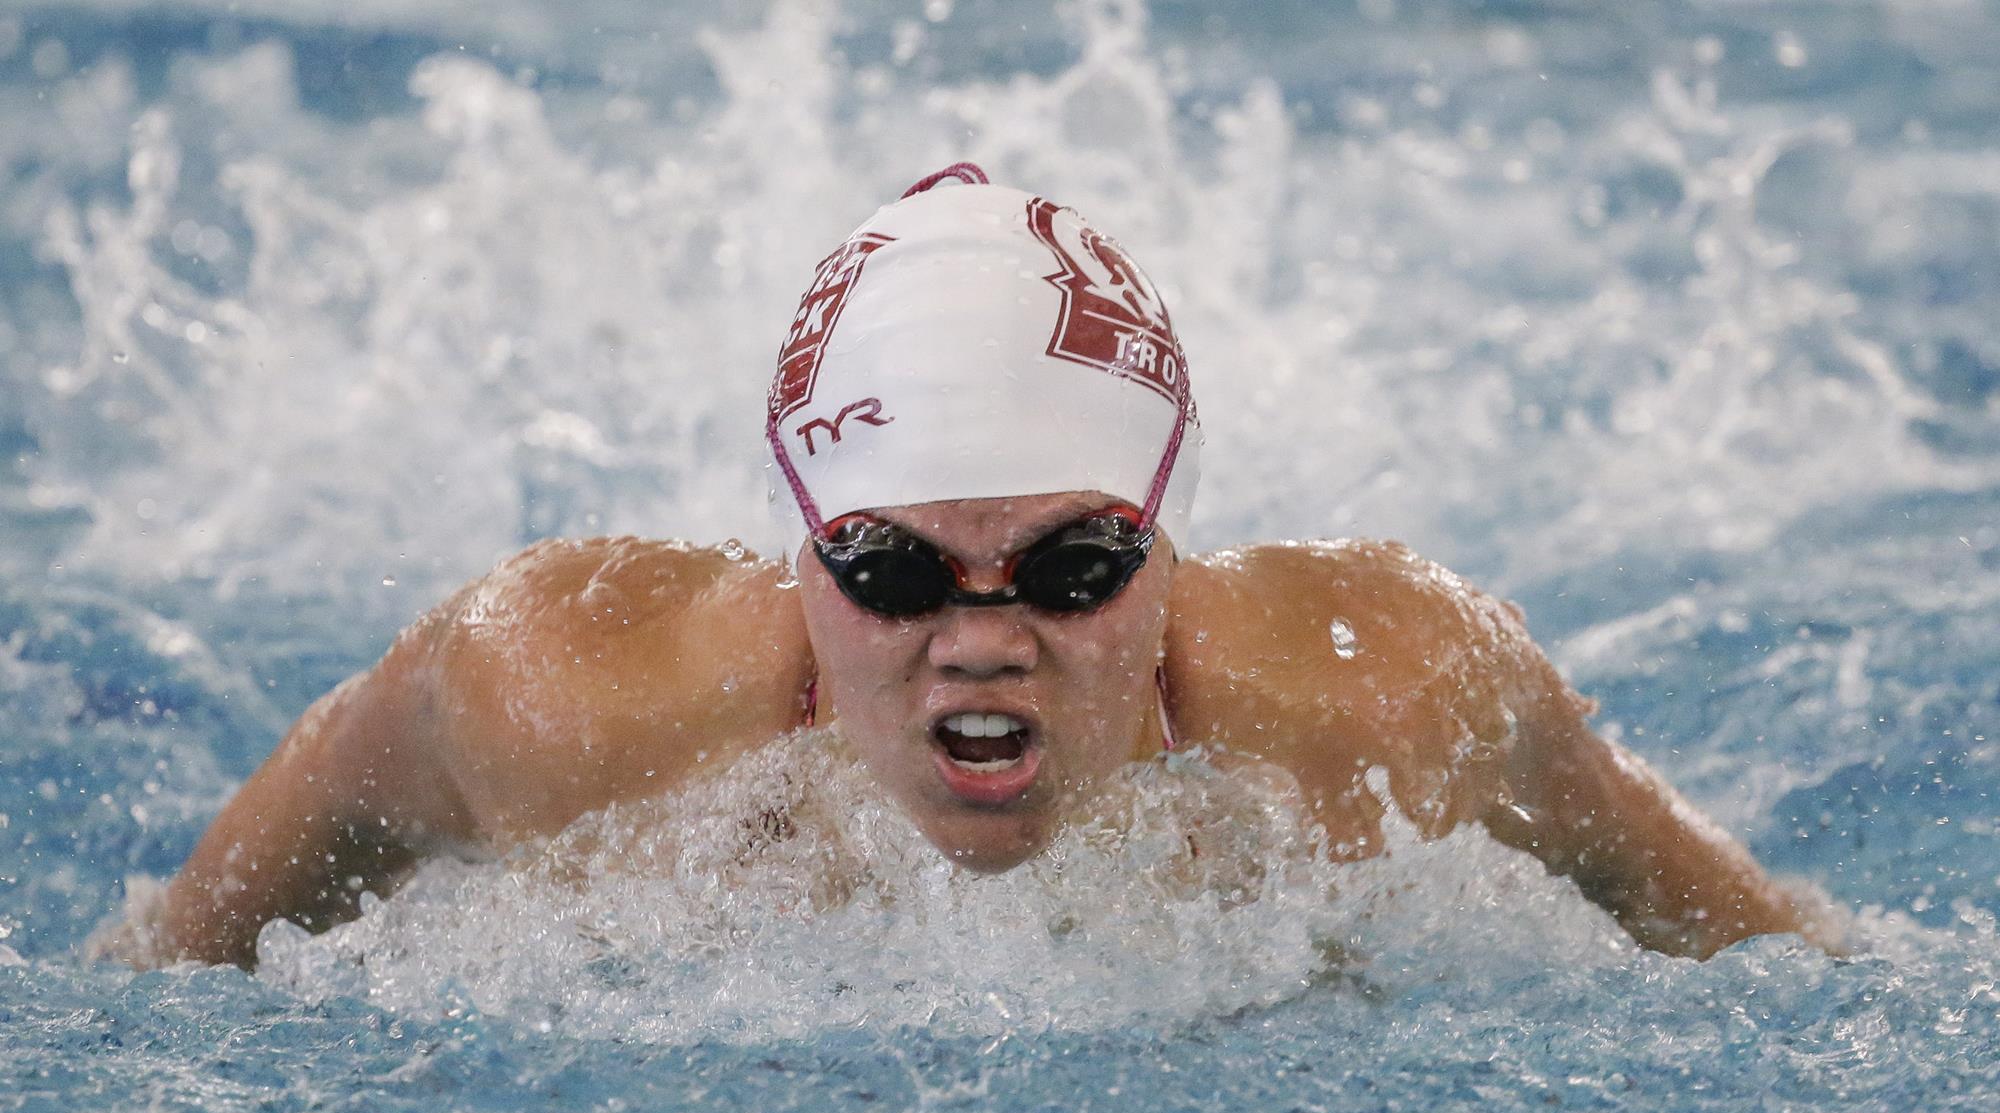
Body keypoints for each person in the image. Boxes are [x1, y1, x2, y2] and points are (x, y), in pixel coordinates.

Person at [99, 163, 1826, 970]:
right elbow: (177, 963)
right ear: (803, 560)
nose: (980, 641)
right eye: (896, 571)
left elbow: (1750, 950)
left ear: (1166, 552)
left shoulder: (1380, 702)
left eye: (1072, 565)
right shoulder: (556, 699)